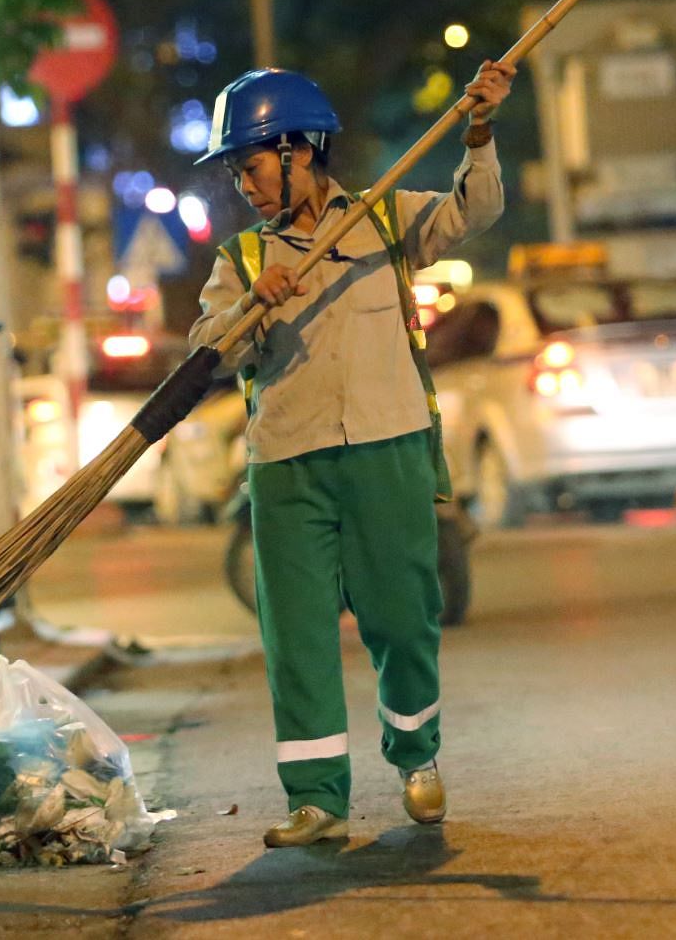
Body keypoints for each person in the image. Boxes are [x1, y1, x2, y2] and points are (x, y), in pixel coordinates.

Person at [188, 61, 514, 846]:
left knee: (404, 619)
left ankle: (417, 760)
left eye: (254, 165)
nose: (245, 185)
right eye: (236, 172)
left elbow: (476, 208)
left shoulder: (384, 220)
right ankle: (316, 798)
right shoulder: (242, 261)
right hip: (287, 466)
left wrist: (477, 128)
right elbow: (208, 352)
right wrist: (248, 308)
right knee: (296, 636)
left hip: (387, 448)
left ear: (300, 150)